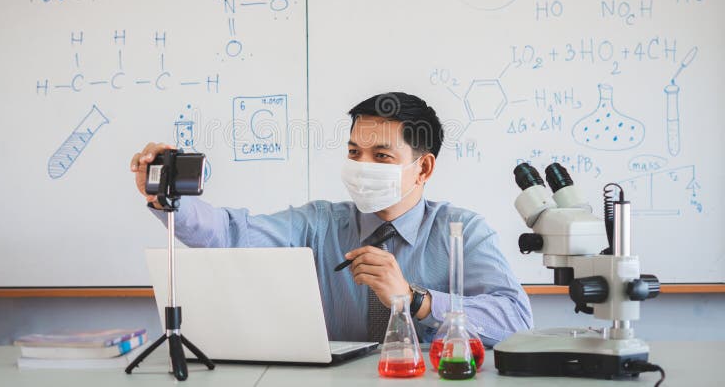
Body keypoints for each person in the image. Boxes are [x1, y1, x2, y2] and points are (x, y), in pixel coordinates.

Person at [131, 92, 532, 345]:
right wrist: (169, 198)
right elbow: (232, 234)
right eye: (355, 152)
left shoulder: (462, 231)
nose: (361, 165)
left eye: (382, 156)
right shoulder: (319, 223)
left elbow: (515, 319)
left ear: (423, 169)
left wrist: (416, 300)